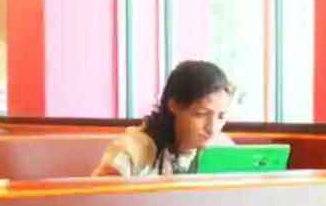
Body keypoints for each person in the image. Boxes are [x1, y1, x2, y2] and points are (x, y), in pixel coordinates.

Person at [93, 60, 237, 177]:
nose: (212, 128)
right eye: (200, 114)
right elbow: (97, 203)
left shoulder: (224, 149)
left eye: (221, 116)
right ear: (174, 106)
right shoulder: (133, 150)